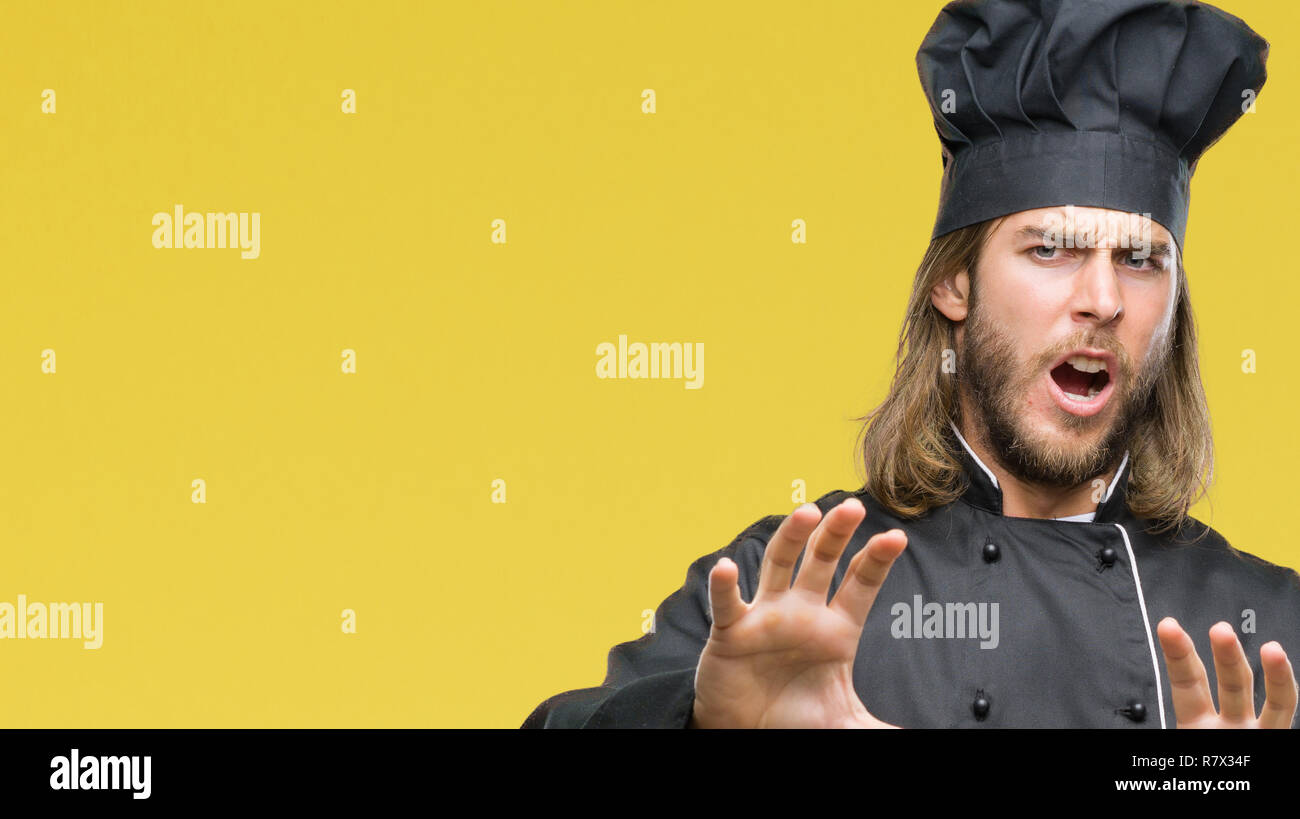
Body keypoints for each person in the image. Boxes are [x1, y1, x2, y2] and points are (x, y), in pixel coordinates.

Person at [522, 0, 1300, 728]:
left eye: (1141, 258)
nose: (1102, 298)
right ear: (953, 284)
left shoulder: (1270, 630)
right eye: (1050, 248)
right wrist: (700, 722)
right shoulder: (789, 592)